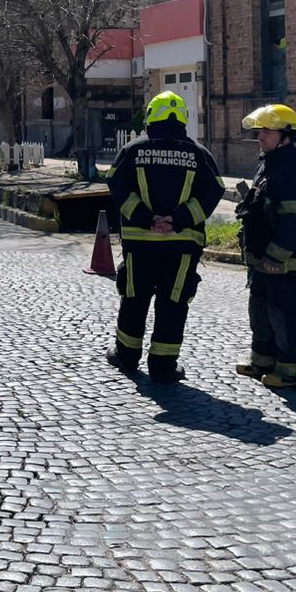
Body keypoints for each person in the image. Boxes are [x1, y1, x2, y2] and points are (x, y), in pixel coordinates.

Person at [105, 91, 225, 383]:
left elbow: (116, 183)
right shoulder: (199, 154)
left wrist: (146, 219)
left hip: (139, 242)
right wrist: (177, 220)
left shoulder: (133, 150)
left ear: (150, 118)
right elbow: (215, 190)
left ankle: (126, 355)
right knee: (174, 301)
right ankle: (163, 365)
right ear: (183, 119)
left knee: (134, 297)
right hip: (182, 245)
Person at [235, 104, 296, 388]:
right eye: (259, 131)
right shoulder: (269, 162)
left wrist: (276, 255)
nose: (260, 136)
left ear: (286, 135)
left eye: (267, 131)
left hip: (286, 261)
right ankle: (263, 361)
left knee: (287, 315)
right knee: (261, 311)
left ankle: (292, 370)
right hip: (263, 257)